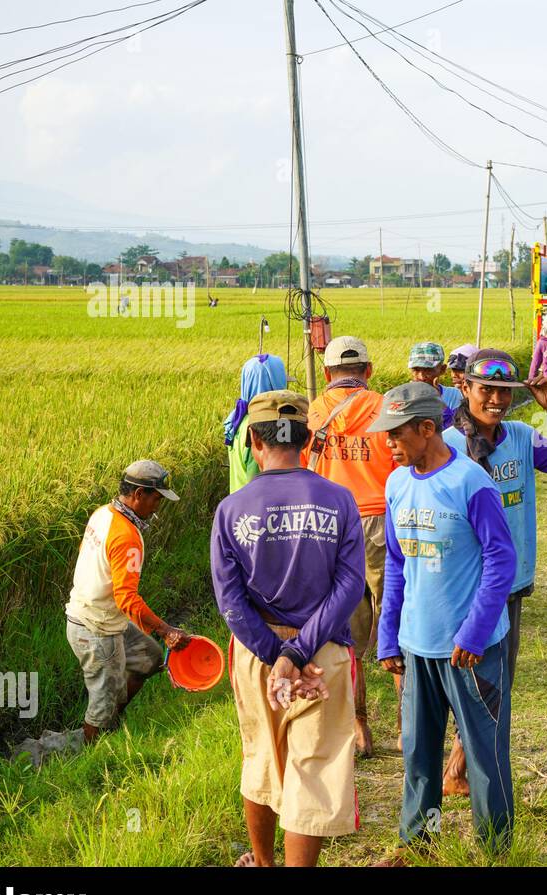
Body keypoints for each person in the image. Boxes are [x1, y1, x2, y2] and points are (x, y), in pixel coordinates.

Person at [211, 390, 365, 867]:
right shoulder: (339, 500)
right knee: (313, 767)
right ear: (307, 438)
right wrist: (298, 654)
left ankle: (262, 862)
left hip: (257, 658)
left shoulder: (231, 509)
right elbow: (350, 586)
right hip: (323, 656)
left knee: (259, 756)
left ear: (255, 441)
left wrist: (274, 654)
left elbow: (230, 601)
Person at [373, 382, 518, 861]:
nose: (387, 444)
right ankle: (419, 845)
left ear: (427, 428)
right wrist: (389, 635)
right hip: (418, 645)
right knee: (418, 755)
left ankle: (496, 850)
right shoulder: (396, 484)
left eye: (395, 435)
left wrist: (475, 632)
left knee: (483, 756)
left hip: (470, 650)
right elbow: (396, 563)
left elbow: (501, 560)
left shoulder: (471, 483)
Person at [441, 349, 547, 794]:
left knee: (498, 679)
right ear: (464, 388)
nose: (495, 400)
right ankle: (456, 768)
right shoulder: (445, 446)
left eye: (504, 393)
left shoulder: (522, 438)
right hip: (459, 582)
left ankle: (462, 766)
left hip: (509, 583)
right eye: (485, 390)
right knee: (459, 675)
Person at [302, 335, 396, 758]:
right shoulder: (386, 407)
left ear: (326, 374)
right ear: (368, 371)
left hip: (332, 526)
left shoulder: (313, 413)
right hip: (383, 521)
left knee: (346, 636)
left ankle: (359, 729)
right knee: (399, 626)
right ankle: (411, 726)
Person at [65, 460, 191, 744]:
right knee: (102, 704)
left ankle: (113, 722)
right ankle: (92, 750)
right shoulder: (127, 536)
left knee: (149, 658)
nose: (158, 505)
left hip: (94, 614)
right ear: (138, 495)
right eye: (156, 498)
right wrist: (166, 630)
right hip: (97, 628)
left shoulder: (103, 513)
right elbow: (126, 598)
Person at [224, 353, 288, 493]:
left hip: (239, 507)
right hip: (255, 510)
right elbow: (258, 486)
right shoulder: (262, 427)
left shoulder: (238, 419)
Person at [409, 341, 462, 428]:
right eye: (416, 370)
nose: (421, 377)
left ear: (442, 369)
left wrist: (439, 402)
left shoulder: (455, 396)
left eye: (428, 370)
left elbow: (458, 432)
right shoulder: (399, 397)